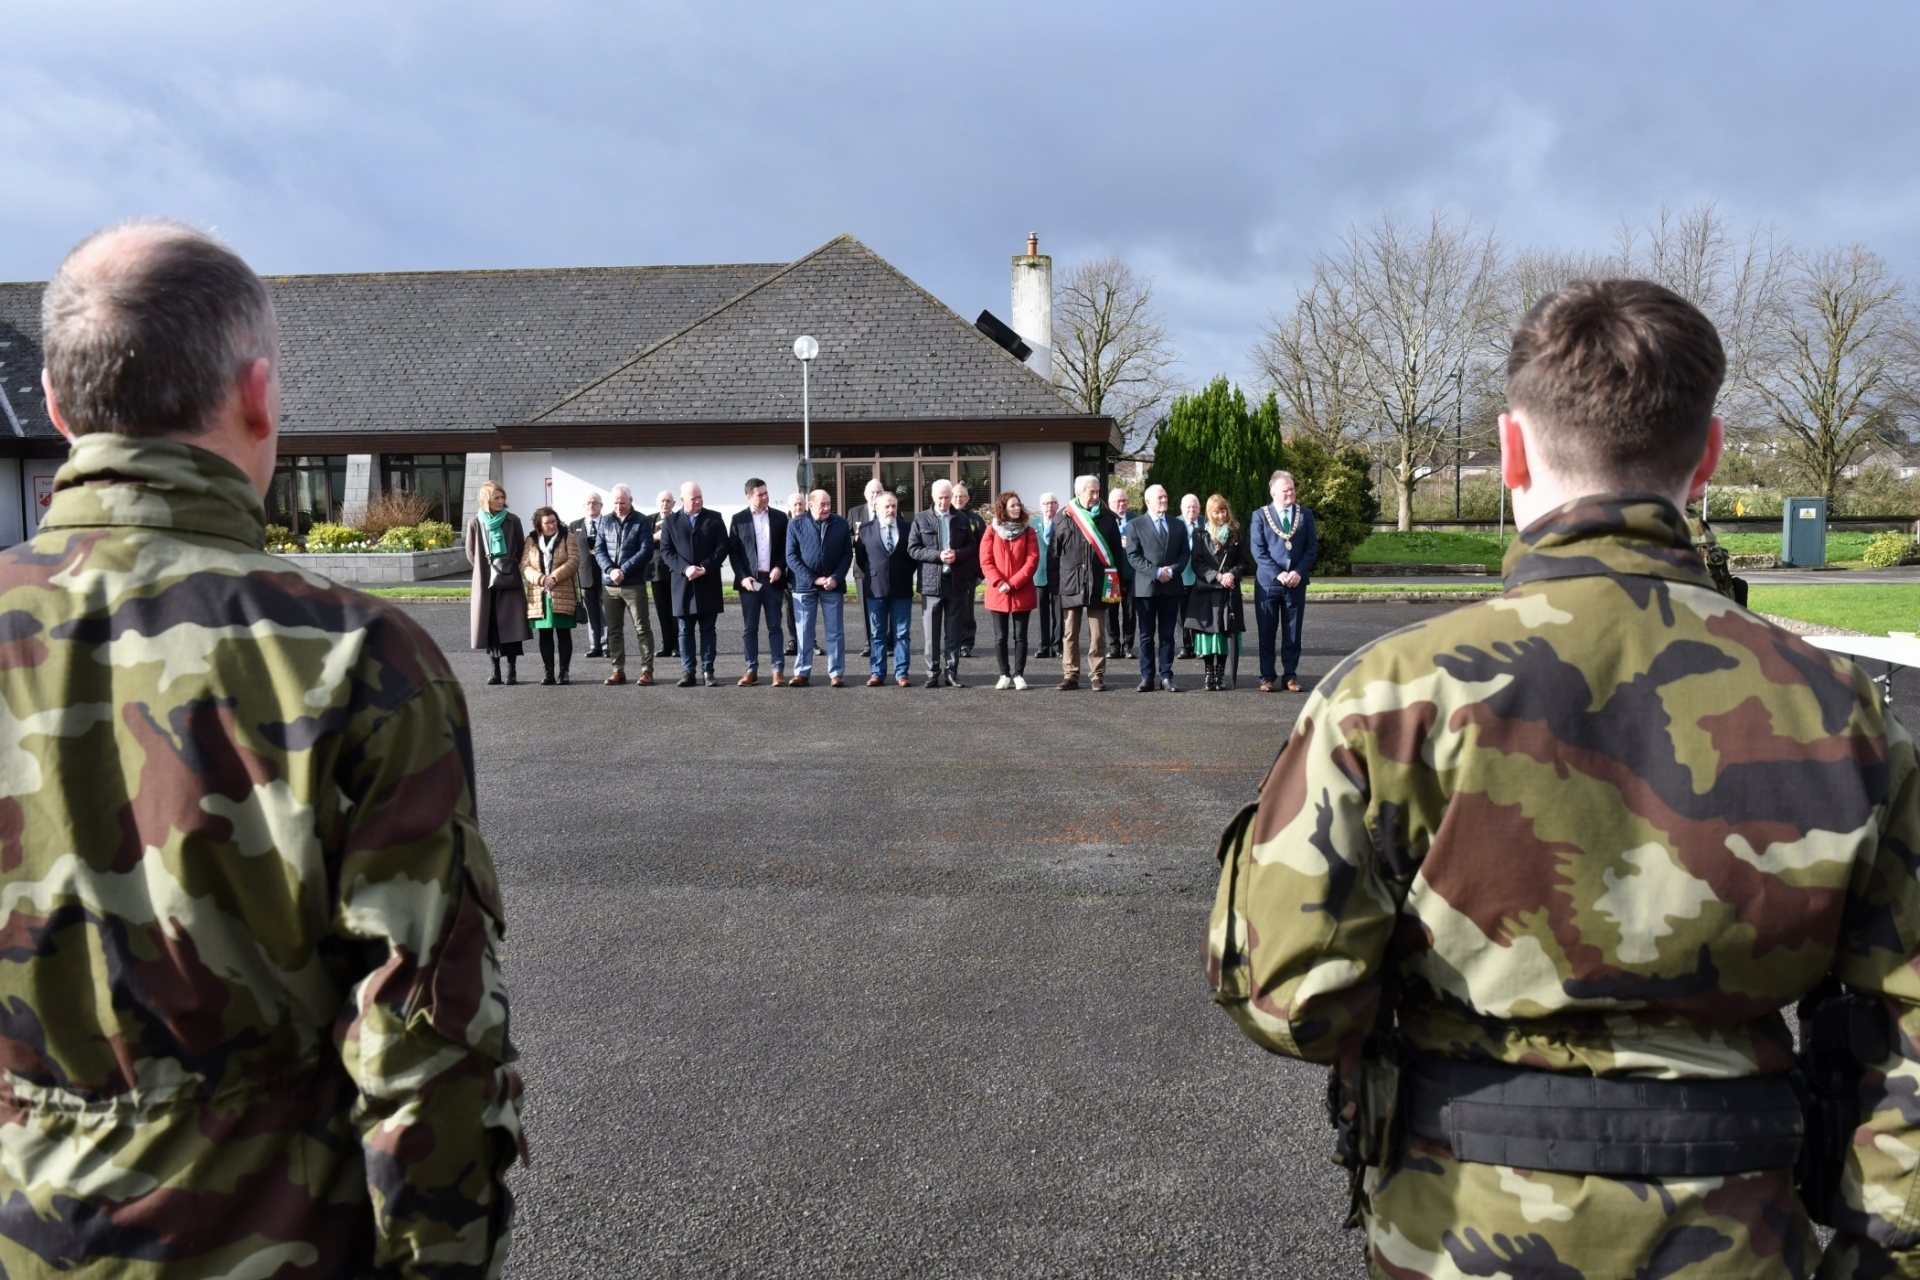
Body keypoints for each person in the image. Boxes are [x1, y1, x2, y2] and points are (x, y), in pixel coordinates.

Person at [1207, 277, 1920, 1278]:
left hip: (1457, 1225)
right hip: (1741, 1233)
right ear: (1707, 458)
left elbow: (1292, 991)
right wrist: (1880, 1242)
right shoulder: (1843, 707)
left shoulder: (1391, 693)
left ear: (1509, 448)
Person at [2, 219, 522, 1275]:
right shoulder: (350, 655)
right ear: (258, 393)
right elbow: (423, 1028)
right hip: (274, 1235)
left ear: (57, 410)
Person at [1051, 474, 1123, 692]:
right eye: (1090, 492)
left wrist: (1116, 583)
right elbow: (1053, 556)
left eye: (1097, 492)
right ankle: (1070, 675)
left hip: (1098, 583)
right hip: (1070, 582)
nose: (1095, 496)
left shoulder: (1108, 519)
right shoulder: (1062, 518)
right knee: (1070, 633)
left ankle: (1097, 675)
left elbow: (1117, 554)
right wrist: (1055, 586)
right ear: (1078, 493)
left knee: (1098, 633)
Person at [1249, 469, 1317, 692]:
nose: (1290, 493)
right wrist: (1278, 573)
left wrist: (1298, 572)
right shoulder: (1260, 515)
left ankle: (1290, 676)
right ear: (1273, 492)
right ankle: (1266, 677)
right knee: (1267, 632)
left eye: (1292, 489)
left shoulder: (1305, 514)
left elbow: (1311, 547)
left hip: (1296, 582)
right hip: (1269, 583)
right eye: (1286, 490)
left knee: (1293, 632)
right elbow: (1258, 550)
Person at [909, 478, 976, 687]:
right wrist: (938, 555)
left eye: (947, 497)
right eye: (941, 497)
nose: (944, 502)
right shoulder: (920, 519)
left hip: (955, 583)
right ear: (932, 496)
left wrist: (957, 554)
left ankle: (951, 672)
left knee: (953, 631)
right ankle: (932, 673)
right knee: (931, 632)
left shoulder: (962, 518)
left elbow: (972, 547)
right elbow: (913, 549)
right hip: (931, 584)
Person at [661, 480, 730, 686]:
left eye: (700, 497)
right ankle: (688, 671)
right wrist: (685, 568)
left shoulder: (714, 518)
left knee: (708, 630)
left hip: (708, 581)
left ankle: (708, 671)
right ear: (682, 500)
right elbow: (666, 551)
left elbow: (722, 547)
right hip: (683, 583)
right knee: (685, 630)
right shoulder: (670, 521)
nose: (698, 501)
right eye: (694, 498)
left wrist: (705, 567)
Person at [1125, 483, 1190, 693]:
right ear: (1147, 502)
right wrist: (1155, 572)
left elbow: (1184, 554)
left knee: (1167, 635)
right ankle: (1147, 676)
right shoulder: (1135, 525)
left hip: (1171, 587)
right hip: (1146, 589)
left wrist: (1170, 572)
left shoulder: (1177, 525)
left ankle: (1166, 676)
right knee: (1145, 635)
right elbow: (1133, 555)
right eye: (1159, 497)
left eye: (1165, 496)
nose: (1164, 500)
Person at [786, 487, 854, 687]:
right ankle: (801, 673)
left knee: (835, 631)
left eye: (828, 504)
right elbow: (791, 557)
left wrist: (836, 577)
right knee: (804, 632)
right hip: (804, 586)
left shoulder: (840, 523)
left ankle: (836, 673)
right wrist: (813, 579)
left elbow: (847, 554)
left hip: (832, 586)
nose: (826, 508)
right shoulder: (795, 524)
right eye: (822, 505)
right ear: (810, 505)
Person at [466, 478, 531, 685]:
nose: (501, 501)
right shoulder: (475, 522)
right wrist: (487, 568)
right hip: (486, 580)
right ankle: (495, 670)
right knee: (490, 624)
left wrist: (507, 566)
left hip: (510, 578)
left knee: (512, 624)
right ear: (486, 499)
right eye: (496, 498)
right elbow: (470, 553)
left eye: (503, 497)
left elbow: (522, 550)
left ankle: (512, 669)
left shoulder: (513, 520)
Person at [728, 476, 790, 685]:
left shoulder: (781, 518)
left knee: (775, 626)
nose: (765, 497)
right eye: (760, 494)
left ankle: (777, 670)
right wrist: (743, 576)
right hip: (750, 583)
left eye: (766, 492)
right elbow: (734, 552)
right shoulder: (739, 519)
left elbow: (786, 549)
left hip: (772, 581)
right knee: (750, 628)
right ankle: (751, 670)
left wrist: (780, 567)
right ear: (749, 497)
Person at [1183, 495, 1249, 691]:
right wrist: (1217, 576)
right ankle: (1208, 674)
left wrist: (1231, 574)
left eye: (1223, 511)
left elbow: (1244, 562)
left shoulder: (1236, 533)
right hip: (1207, 591)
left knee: (1224, 633)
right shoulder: (1200, 533)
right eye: (1216, 512)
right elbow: (1197, 563)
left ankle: (1220, 674)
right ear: (1209, 514)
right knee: (1207, 634)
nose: (1220, 516)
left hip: (1229, 592)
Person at [595, 482, 656, 686]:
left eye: (622, 502)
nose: (619, 506)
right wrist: (611, 570)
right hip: (610, 584)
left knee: (642, 628)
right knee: (614, 629)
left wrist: (624, 570)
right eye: (615, 503)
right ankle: (617, 670)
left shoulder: (642, 521)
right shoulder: (604, 521)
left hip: (633, 584)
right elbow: (599, 549)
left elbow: (646, 550)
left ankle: (647, 670)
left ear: (630, 501)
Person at [854, 489, 915, 686]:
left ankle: (902, 673)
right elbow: (861, 560)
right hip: (875, 588)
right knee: (877, 633)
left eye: (894, 506)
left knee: (902, 633)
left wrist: (903, 573)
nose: (891, 510)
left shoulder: (908, 528)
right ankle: (877, 673)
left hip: (902, 589)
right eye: (887, 506)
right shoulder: (865, 530)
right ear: (876, 507)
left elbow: (913, 557)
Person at [979, 490, 1039, 690]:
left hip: (1021, 590)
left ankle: (1019, 674)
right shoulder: (992, 531)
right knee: (1000, 636)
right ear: (1003, 509)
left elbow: (1032, 561)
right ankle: (1004, 674)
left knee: (1020, 636)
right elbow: (986, 560)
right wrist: (998, 582)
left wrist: (1012, 583)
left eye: (1018, 505)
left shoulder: (1029, 531)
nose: (1017, 508)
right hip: (998, 591)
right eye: (1012, 505)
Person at [522, 505, 579, 685]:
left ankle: (564, 671)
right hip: (540, 595)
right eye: (547, 523)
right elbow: (524, 566)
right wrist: (541, 579)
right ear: (539, 524)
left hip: (562, 592)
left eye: (554, 521)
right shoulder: (531, 540)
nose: (552, 525)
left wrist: (553, 578)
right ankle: (548, 672)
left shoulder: (567, 537)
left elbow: (574, 560)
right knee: (545, 634)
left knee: (563, 633)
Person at [846, 477, 888, 672]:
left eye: (878, 492)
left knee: (887, 606)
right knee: (865, 608)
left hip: (884, 569)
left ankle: (888, 642)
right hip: (862, 567)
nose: (875, 496)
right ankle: (868, 643)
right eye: (872, 492)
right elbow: (845, 537)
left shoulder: (889, 509)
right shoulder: (855, 512)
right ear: (865, 494)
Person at [951, 482, 987, 658]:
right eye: (955, 496)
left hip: (969, 574)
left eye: (961, 496)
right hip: (948, 573)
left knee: (966, 610)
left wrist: (981, 574)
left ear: (968, 499)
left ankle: (966, 643)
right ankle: (952, 642)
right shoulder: (945, 517)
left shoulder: (975, 520)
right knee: (950, 610)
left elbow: (984, 549)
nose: (958, 499)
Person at [570, 490, 608, 656]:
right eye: (588, 503)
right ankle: (595, 646)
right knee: (591, 613)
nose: (591, 505)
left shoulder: (609, 523)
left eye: (595, 503)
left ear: (601, 505)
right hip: (584, 575)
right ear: (583, 506)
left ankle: (607, 646)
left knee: (606, 613)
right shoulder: (574, 526)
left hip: (606, 574)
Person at [1105, 486, 1136, 659]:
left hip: (1131, 573)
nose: (1121, 504)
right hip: (1111, 573)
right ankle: (1113, 645)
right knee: (1111, 611)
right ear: (1110, 504)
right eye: (1118, 501)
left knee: (1130, 612)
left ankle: (1128, 646)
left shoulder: (1135, 520)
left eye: (1124, 500)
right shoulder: (1104, 520)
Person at [650, 489, 680, 658]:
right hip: (656, 572)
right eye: (662, 501)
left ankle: (677, 645)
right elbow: (643, 541)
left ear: (673, 504)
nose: (665, 504)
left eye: (669, 501)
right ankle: (666, 645)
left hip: (674, 571)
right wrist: (656, 536)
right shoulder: (650, 520)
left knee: (675, 610)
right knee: (661, 611)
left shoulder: (678, 519)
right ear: (657, 502)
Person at [1032, 491, 1061, 658]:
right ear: (1040, 506)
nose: (1049, 506)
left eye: (1052, 503)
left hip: (1059, 575)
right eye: (1046, 503)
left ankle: (1058, 646)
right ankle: (1044, 646)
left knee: (1059, 612)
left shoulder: (1064, 522)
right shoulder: (1032, 525)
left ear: (1057, 505)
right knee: (1042, 612)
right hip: (1039, 574)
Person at [1176, 492, 1202, 659]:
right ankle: (1185, 646)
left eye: (1195, 506)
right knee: (1181, 613)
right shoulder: (1174, 524)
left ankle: (1200, 646)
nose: (1192, 510)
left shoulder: (1207, 523)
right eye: (1188, 507)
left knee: (1202, 612)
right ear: (1181, 508)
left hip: (1202, 576)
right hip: (1182, 575)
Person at [783, 490, 807, 657]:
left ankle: (809, 641)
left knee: (808, 608)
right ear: (789, 507)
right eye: (795, 504)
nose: (798, 507)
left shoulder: (811, 522)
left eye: (801, 504)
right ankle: (793, 640)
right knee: (790, 607)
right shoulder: (782, 523)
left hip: (807, 573)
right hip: (787, 572)